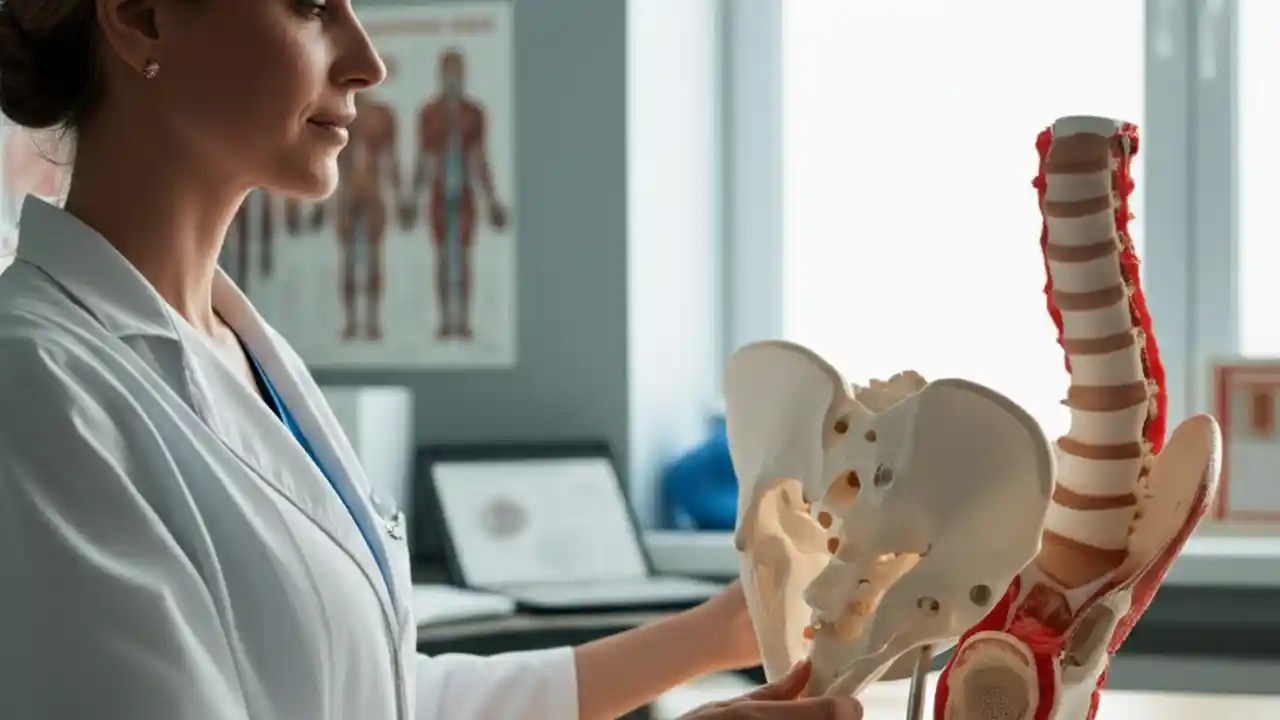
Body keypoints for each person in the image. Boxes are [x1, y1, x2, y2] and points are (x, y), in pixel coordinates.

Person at [0, 1, 861, 719]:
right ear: (144, 18)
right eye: (310, 4)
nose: (367, 59)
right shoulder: (36, 389)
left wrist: (715, 634)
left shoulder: (241, 350)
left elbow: (385, 696)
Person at [403, 48, 507, 341]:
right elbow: (422, 160)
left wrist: (492, 200)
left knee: (462, 256)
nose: (453, 77)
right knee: (441, 258)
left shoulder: (473, 113)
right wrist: (412, 198)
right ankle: (444, 321)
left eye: (457, 71)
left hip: (464, 192)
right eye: (448, 70)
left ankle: (462, 321)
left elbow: (479, 159)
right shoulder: (429, 113)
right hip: (438, 189)